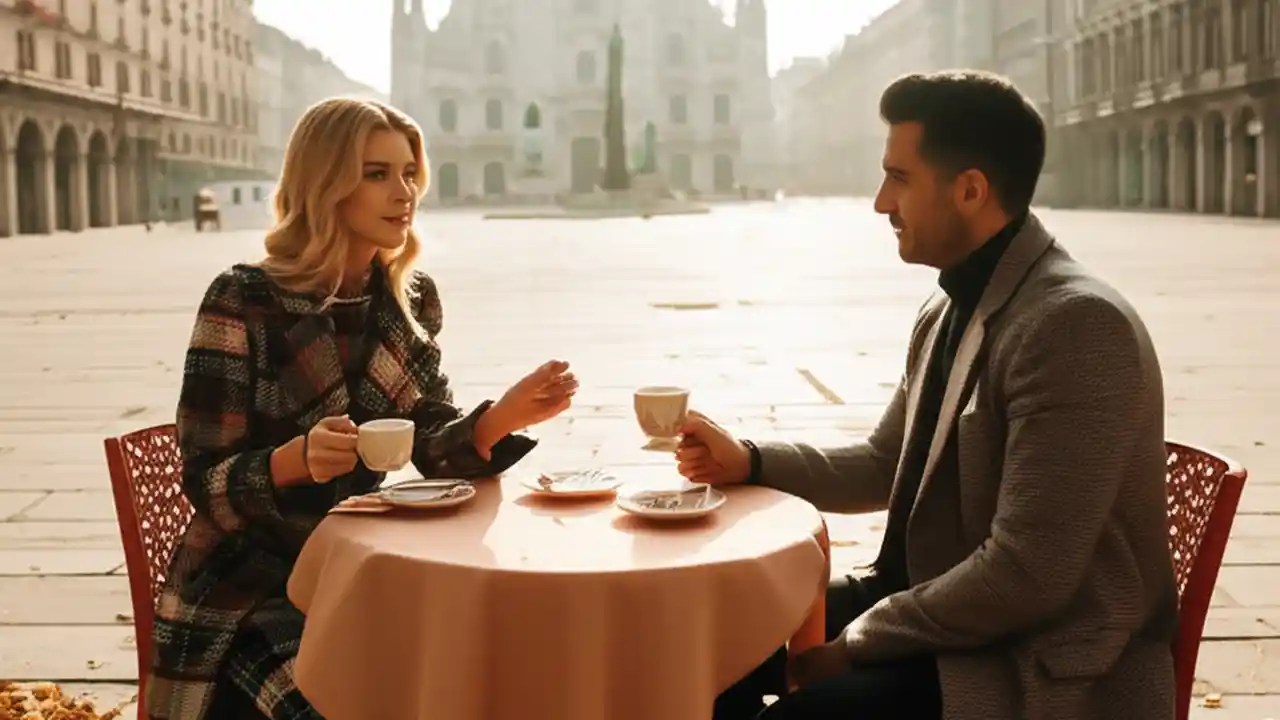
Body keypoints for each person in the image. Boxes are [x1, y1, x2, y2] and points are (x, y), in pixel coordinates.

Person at [678, 70, 1177, 720]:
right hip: (944, 608)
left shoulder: (1074, 325)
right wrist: (749, 460)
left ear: (969, 190)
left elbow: (1027, 574)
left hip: (1040, 664)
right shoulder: (948, 307)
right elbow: (887, 462)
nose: (881, 202)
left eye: (899, 178)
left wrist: (859, 642)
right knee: (706, 640)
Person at [145, 98, 578, 720]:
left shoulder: (409, 300)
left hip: (364, 573)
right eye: (377, 174)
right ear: (325, 184)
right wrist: (292, 463)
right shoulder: (242, 299)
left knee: (493, 672)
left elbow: (429, 443)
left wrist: (501, 418)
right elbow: (206, 482)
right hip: (251, 587)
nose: (403, 192)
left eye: (408, 174)